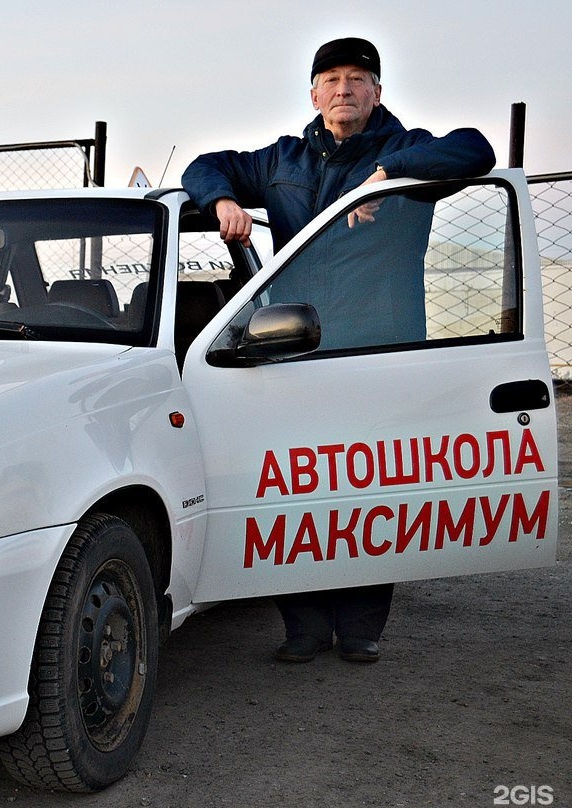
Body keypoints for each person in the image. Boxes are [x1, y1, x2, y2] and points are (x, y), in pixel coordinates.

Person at [181, 37, 495, 664]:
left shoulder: (407, 148)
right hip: (292, 343)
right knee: (292, 484)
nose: (344, 89)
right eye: (332, 78)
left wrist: (391, 176)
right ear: (314, 92)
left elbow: (476, 148)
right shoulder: (282, 159)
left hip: (376, 345)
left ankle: (360, 625)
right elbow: (204, 164)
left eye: (357, 78)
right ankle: (300, 625)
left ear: (377, 91)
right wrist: (220, 200)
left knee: (368, 484)